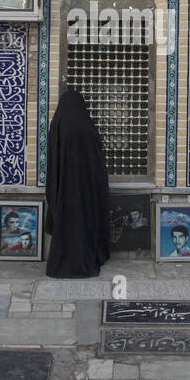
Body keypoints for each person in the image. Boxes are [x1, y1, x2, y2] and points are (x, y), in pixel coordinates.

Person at [44, 87, 110, 278]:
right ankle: (85, 260)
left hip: (63, 190)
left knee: (66, 226)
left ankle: (62, 262)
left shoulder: (58, 124)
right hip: (86, 191)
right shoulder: (86, 126)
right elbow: (97, 160)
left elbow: (52, 161)